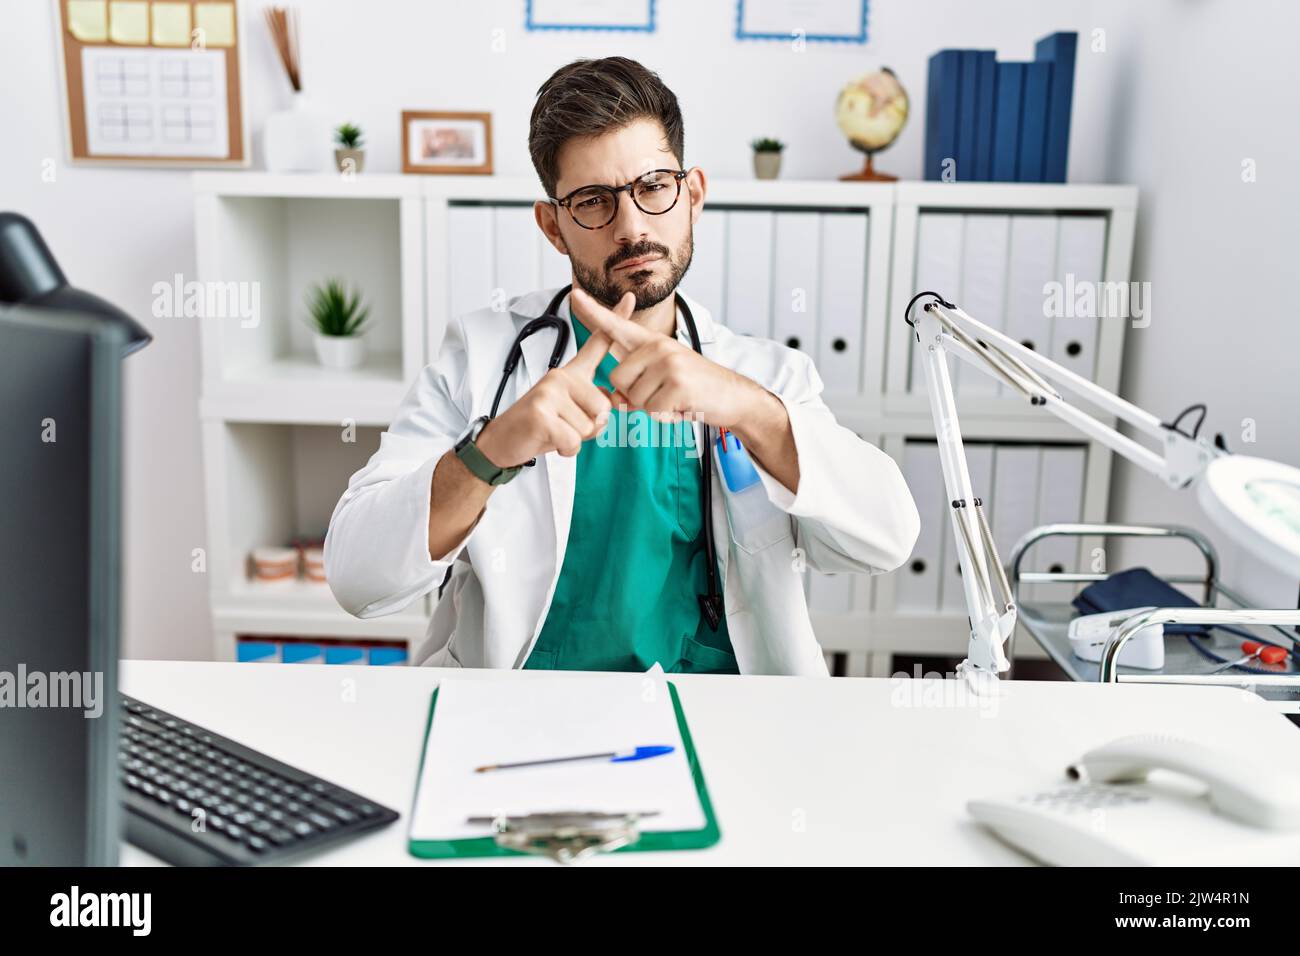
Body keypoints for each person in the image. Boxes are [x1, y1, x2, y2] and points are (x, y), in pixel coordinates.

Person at [324, 57, 920, 675]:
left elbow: (887, 538)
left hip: (721, 718)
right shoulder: (483, 359)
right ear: (553, 227)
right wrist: (494, 448)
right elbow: (357, 579)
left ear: (692, 195)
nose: (632, 227)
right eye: (592, 201)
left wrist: (748, 410)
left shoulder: (765, 377)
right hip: (522, 717)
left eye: (653, 186)